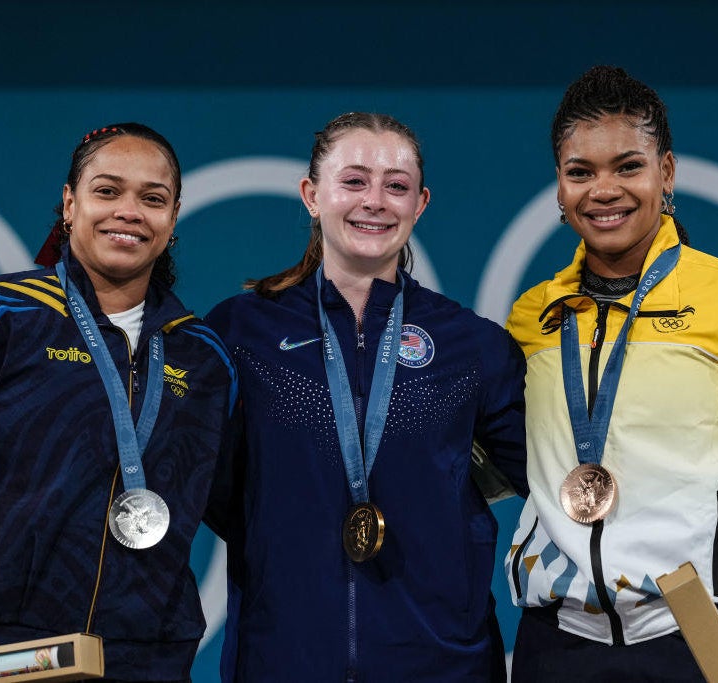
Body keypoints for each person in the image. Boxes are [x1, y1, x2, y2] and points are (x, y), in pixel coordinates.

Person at [0, 123, 237, 682]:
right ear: (69, 203)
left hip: (147, 661)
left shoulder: (204, 358)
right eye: (107, 191)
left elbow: (246, 509)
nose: (129, 211)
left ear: (173, 218)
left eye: (152, 199)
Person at [504, 66, 718, 682]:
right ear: (560, 190)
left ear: (666, 173)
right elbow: (496, 462)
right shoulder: (533, 317)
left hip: (698, 631)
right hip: (554, 641)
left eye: (628, 166)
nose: (604, 190)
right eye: (580, 172)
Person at [204, 112, 528, 682]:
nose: (374, 201)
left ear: (420, 204)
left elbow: (537, 477)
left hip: (442, 664)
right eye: (353, 181)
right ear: (311, 195)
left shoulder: (471, 345)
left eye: (396, 186)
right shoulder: (243, 332)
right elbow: (214, 489)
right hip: (283, 661)